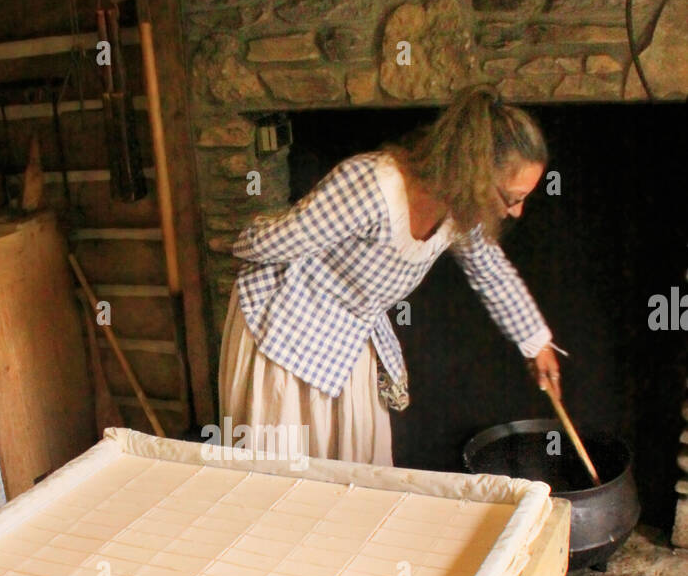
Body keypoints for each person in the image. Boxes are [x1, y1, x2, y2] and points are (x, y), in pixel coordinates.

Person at [219, 85, 562, 467]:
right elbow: (275, 243)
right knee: (285, 470)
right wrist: (246, 239)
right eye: (514, 197)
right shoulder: (371, 187)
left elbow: (492, 272)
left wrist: (536, 343)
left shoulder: (462, 209)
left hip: (347, 334)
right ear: (474, 174)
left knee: (354, 470)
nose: (516, 212)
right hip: (286, 328)